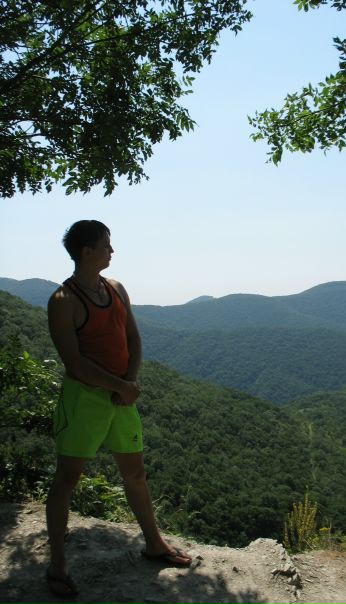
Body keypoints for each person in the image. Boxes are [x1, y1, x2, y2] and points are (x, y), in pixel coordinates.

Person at [46, 220, 191, 598]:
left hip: (122, 396)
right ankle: (57, 565)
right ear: (87, 251)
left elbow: (133, 338)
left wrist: (130, 382)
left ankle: (154, 543)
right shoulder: (63, 301)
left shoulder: (116, 289)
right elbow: (74, 363)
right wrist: (121, 386)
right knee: (67, 479)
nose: (112, 251)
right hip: (85, 400)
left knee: (135, 473)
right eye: (106, 245)